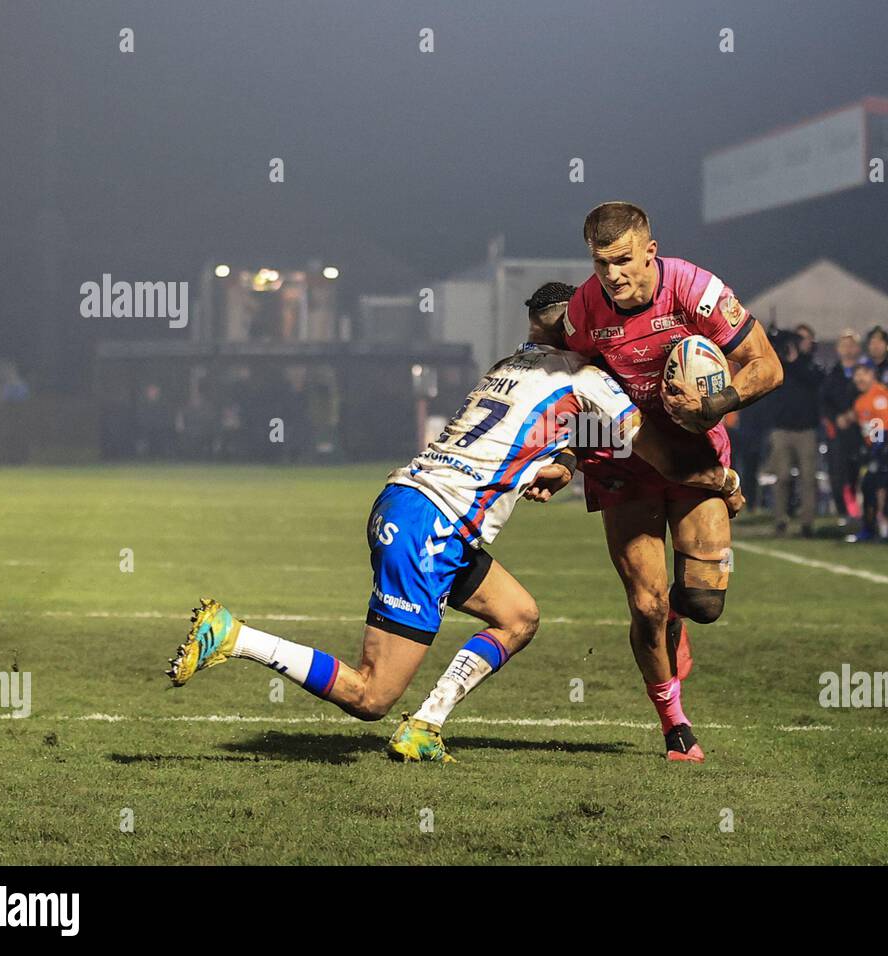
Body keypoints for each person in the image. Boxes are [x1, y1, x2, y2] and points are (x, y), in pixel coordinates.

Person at [166, 282, 742, 763]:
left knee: (518, 616)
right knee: (370, 695)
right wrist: (724, 481)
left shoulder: (509, 365)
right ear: (578, 327)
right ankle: (235, 636)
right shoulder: (585, 378)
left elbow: (546, 429)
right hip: (432, 523)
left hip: (415, 503)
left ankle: (425, 725)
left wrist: (560, 463)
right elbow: (656, 453)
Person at [564, 201, 783, 763]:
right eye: (600, 263)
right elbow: (566, 383)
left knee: (703, 603)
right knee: (646, 605)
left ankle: (680, 618)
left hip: (693, 457)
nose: (613, 275)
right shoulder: (587, 307)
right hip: (624, 462)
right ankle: (674, 724)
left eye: (623, 260)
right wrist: (568, 456)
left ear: (650, 252)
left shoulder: (694, 289)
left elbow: (768, 365)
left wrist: (717, 401)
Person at [762, 323, 824, 536]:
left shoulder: (813, 365)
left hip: (806, 430)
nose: (800, 342)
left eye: (804, 338)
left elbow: (812, 380)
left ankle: (807, 523)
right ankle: (780, 520)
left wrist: (795, 359)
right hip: (781, 429)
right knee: (782, 477)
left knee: (808, 478)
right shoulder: (779, 363)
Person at [847, 363, 888, 542]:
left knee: (882, 488)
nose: (859, 378)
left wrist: (876, 452)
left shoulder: (879, 395)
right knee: (870, 487)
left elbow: (883, 428)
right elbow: (868, 431)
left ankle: (883, 527)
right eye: (856, 374)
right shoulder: (861, 401)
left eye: (863, 373)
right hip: (877, 448)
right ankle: (871, 527)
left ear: (872, 374)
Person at [820, 330, 865, 526]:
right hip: (837, 432)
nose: (847, 349)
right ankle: (845, 512)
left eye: (851, 344)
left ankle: (860, 512)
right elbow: (822, 402)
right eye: (844, 345)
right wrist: (835, 418)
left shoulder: (864, 372)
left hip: (860, 431)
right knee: (838, 474)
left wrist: (854, 414)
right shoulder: (831, 374)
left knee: (858, 473)